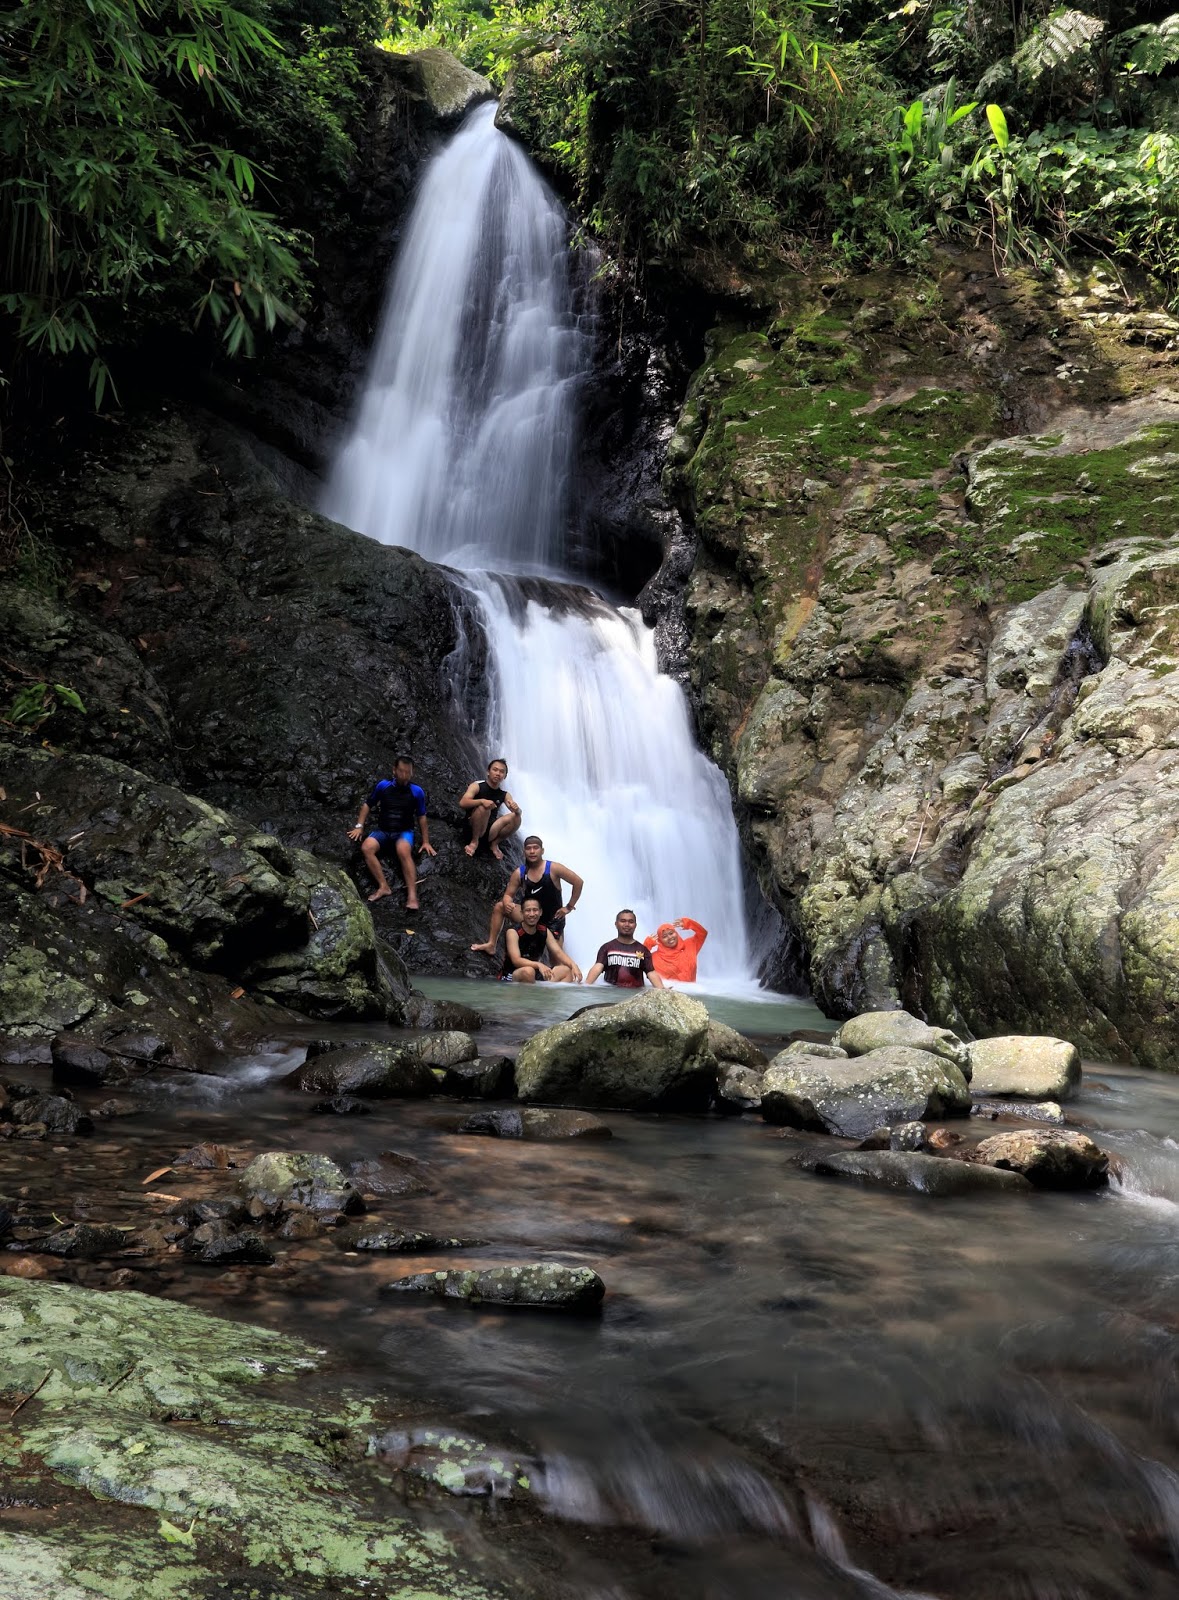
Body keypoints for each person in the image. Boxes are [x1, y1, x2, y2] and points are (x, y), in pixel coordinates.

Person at [348, 755, 435, 911]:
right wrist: (359, 826)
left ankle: (412, 896)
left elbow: (421, 817)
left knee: (403, 850)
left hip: (404, 832)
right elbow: (368, 805)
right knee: (367, 847)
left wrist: (426, 841)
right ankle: (383, 886)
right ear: (394, 770)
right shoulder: (383, 786)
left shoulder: (417, 792)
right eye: (401, 771)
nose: (404, 776)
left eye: (407, 772)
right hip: (383, 830)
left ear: (412, 773)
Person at [470, 836, 584, 956]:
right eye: (528, 848)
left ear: (542, 851)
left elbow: (578, 882)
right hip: (530, 915)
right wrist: (507, 902)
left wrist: (569, 907)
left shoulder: (553, 868)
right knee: (500, 907)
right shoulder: (520, 873)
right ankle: (491, 944)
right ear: (524, 851)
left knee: (558, 961)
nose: (532, 851)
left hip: (552, 920)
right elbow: (508, 894)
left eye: (536, 848)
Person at [500, 897, 583, 984]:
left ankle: (550, 996)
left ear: (540, 912)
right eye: (528, 910)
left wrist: (574, 965)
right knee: (528, 971)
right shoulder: (513, 932)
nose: (532, 914)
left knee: (566, 971)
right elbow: (516, 960)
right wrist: (538, 964)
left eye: (535, 910)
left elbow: (558, 952)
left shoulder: (544, 930)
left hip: (535, 973)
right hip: (512, 975)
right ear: (522, 913)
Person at [585, 909, 665, 989]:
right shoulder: (607, 948)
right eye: (623, 921)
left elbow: (651, 972)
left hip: (635, 995)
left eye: (631, 921)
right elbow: (598, 967)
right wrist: (586, 986)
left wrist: (662, 989)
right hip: (610, 993)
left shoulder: (643, 950)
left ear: (635, 925)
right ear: (616, 924)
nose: (627, 924)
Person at [459, 758, 522, 860]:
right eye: (495, 770)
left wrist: (517, 809)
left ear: (505, 776)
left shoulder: (505, 794)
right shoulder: (477, 786)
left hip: (490, 832)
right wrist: (481, 801)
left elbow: (516, 811)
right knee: (484, 808)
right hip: (471, 828)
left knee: (517, 817)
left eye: (502, 772)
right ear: (488, 771)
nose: (498, 773)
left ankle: (494, 843)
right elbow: (462, 802)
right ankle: (474, 842)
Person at [643, 918, 709, 984]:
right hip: (669, 993)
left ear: (676, 933)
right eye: (664, 936)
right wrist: (648, 944)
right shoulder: (654, 958)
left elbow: (703, 933)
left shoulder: (690, 945)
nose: (669, 937)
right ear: (660, 940)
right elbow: (637, 961)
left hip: (692, 992)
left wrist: (689, 923)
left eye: (671, 933)